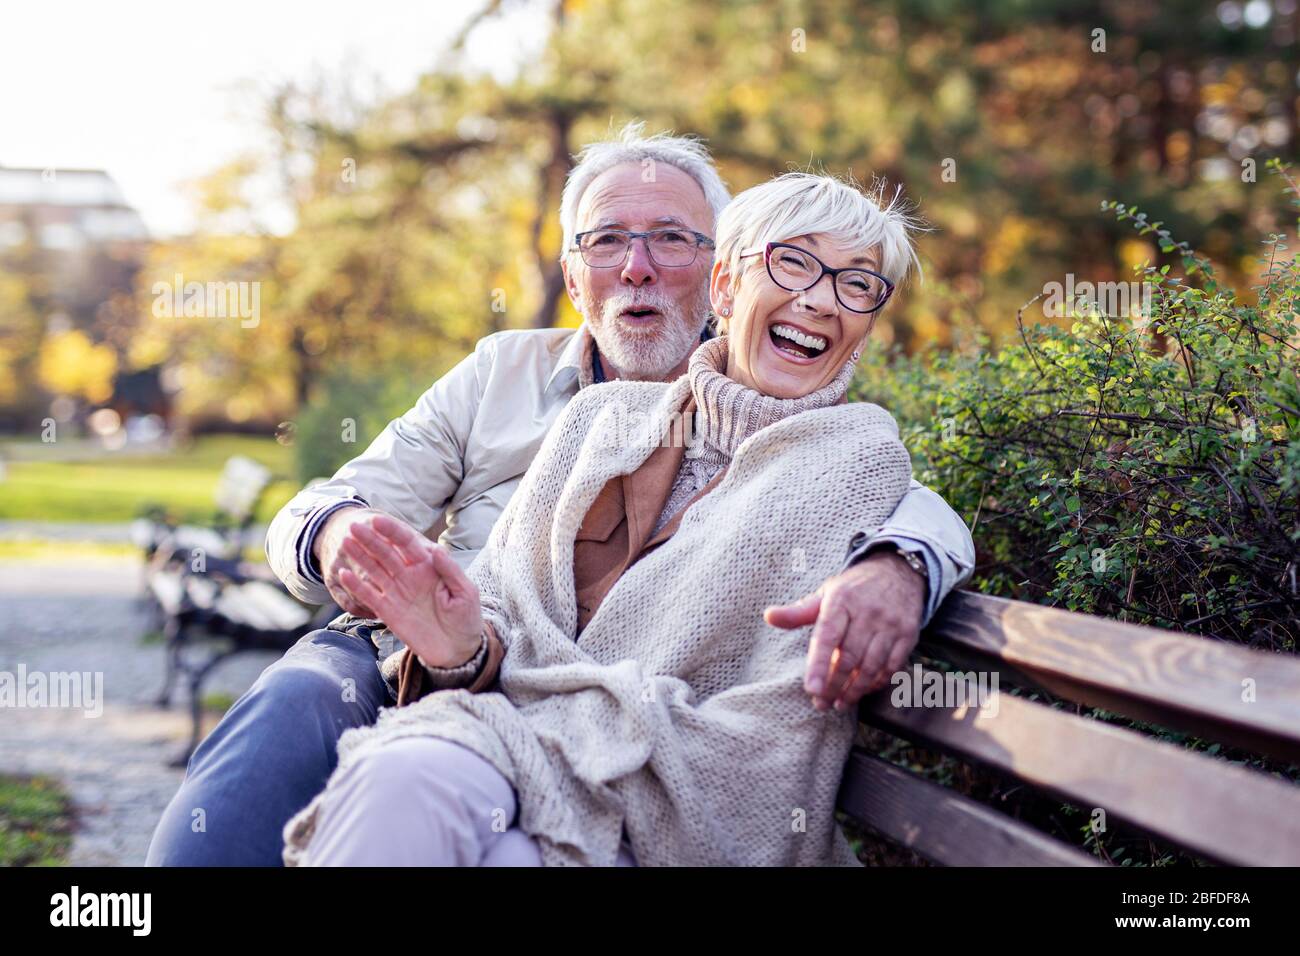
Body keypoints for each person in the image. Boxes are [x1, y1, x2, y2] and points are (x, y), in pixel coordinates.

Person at [147, 125, 973, 867]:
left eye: (670, 240)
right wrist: (341, 537)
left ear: (710, 273)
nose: (637, 265)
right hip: (418, 653)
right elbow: (347, 506)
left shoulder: (837, 444)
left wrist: (906, 561)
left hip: (577, 724)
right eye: (608, 240)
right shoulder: (504, 374)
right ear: (574, 272)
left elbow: (887, 492)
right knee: (310, 701)